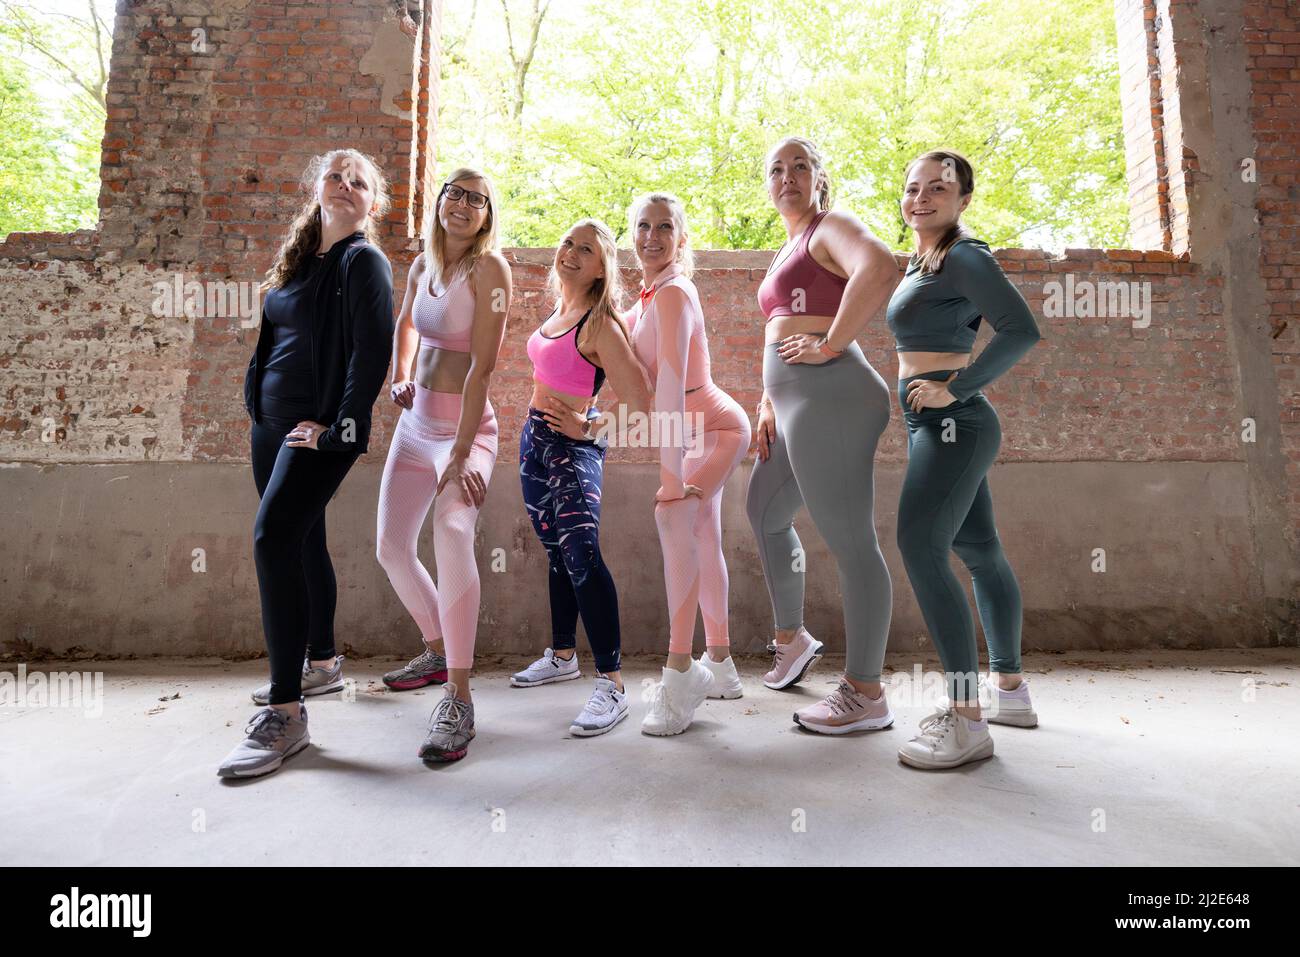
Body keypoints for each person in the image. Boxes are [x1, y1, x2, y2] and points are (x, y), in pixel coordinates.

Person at [222, 149, 394, 778]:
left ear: (372, 204)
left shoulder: (363, 262)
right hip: (269, 425)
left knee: (271, 539)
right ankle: (321, 662)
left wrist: (335, 432)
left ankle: (287, 714)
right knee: (301, 539)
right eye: (335, 176)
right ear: (317, 187)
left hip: (313, 433)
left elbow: (371, 356)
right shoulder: (299, 259)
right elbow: (275, 336)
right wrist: (255, 401)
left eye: (359, 183)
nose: (345, 186)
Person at [887, 149, 1042, 770]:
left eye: (938, 189)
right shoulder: (923, 261)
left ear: (963, 199)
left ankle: (966, 717)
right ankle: (1011, 691)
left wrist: (958, 386)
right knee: (978, 551)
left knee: (919, 544)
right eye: (912, 187)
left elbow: (1021, 329)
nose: (921, 197)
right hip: (938, 422)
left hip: (954, 423)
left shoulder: (966, 255)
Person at [746, 136, 900, 735]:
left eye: (800, 165)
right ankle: (792, 637)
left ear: (820, 177)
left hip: (832, 396)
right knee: (763, 509)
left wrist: (832, 344)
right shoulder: (789, 245)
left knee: (853, 542)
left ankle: (865, 692)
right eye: (776, 169)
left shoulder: (829, 225)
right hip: (795, 406)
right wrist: (766, 400)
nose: (787, 175)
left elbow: (881, 266)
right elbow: (779, 330)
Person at [374, 169, 511, 764]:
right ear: (438, 203)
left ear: (486, 216)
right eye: (453, 192)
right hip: (414, 429)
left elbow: (482, 368)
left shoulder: (491, 271)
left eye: (475, 199)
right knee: (390, 548)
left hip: (466, 432)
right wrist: (400, 377)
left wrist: (460, 449)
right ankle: (436, 649)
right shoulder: (421, 265)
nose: (461, 203)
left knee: (452, 533)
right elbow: (405, 325)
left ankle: (459, 695)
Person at [512, 219, 652, 738]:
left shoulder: (598, 324)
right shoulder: (559, 312)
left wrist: (591, 426)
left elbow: (643, 404)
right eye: (567, 243)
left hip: (573, 451)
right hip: (535, 444)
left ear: (600, 268)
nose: (570, 253)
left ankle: (613, 684)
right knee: (556, 554)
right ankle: (562, 654)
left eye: (585, 249)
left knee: (583, 557)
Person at [623, 192, 751, 736]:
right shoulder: (645, 299)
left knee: (675, 518)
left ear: (682, 237)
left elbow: (671, 388)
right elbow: (628, 371)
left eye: (665, 227)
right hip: (694, 432)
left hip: (719, 429)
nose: (652, 236)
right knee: (703, 537)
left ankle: (680, 675)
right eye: (644, 226)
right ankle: (719, 664)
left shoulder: (674, 293)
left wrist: (672, 478)